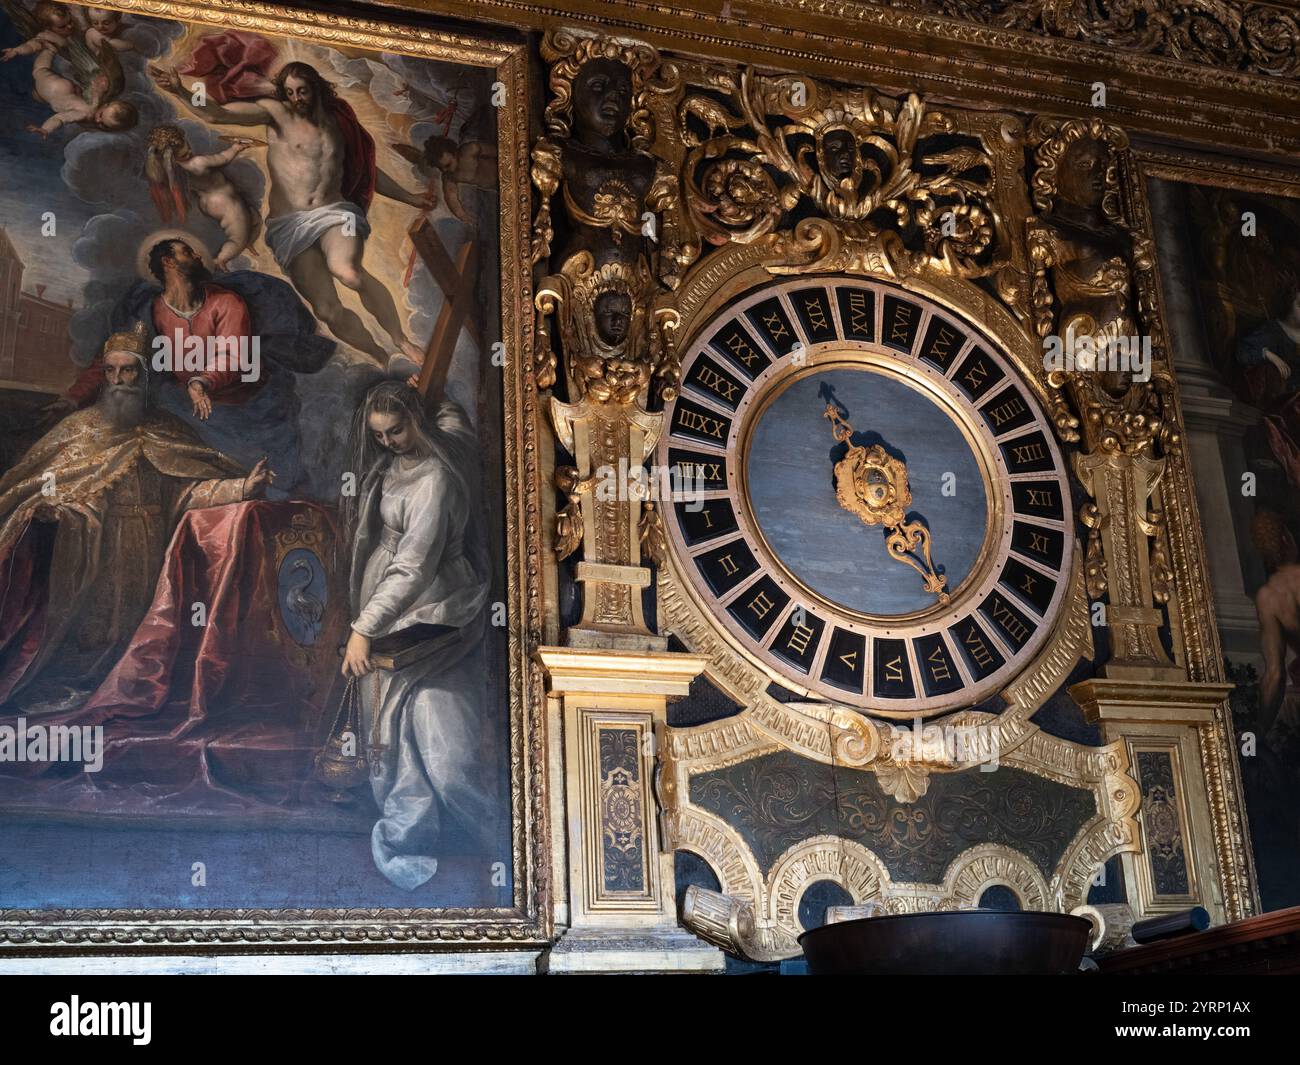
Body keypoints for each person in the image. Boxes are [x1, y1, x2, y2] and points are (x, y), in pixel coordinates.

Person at [0, 322, 272, 709]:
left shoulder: (167, 430)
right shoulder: (78, 430)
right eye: (110, 370)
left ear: (143, 376)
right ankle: (72, 683)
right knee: (92, 627)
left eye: (127, 370)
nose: (118, 380)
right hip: (96, 548)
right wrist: (59, 510)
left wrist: (242, 487)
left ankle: (126, 687)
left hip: (151, 547)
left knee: (137, 629)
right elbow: (38, 486)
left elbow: (187, 493)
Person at [150, 57, 431, 369]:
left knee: (348, 272)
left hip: (338, 213)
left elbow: (366, 168)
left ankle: (401, 340)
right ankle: (382, 357)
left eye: (303, 91)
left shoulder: (340, 123)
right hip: (289, 226)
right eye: (290, 92)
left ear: (317, 89)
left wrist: (410, 197)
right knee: (327, 310)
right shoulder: (275, 114)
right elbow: (216, 113)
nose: (296, 98)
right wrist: (181, 90)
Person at [339, 381, 494, 888]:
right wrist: (436, 397)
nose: (388, 443)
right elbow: (454, 421)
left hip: (429, 605)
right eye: (379, 435)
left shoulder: (435, 479)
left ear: (415, 420)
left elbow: (413, 568)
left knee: (405, 714)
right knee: (390, 710)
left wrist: (364, 629)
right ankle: (412, 823)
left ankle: (416, 827)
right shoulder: (442, 438)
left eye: (396, 430)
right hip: (388, 598)